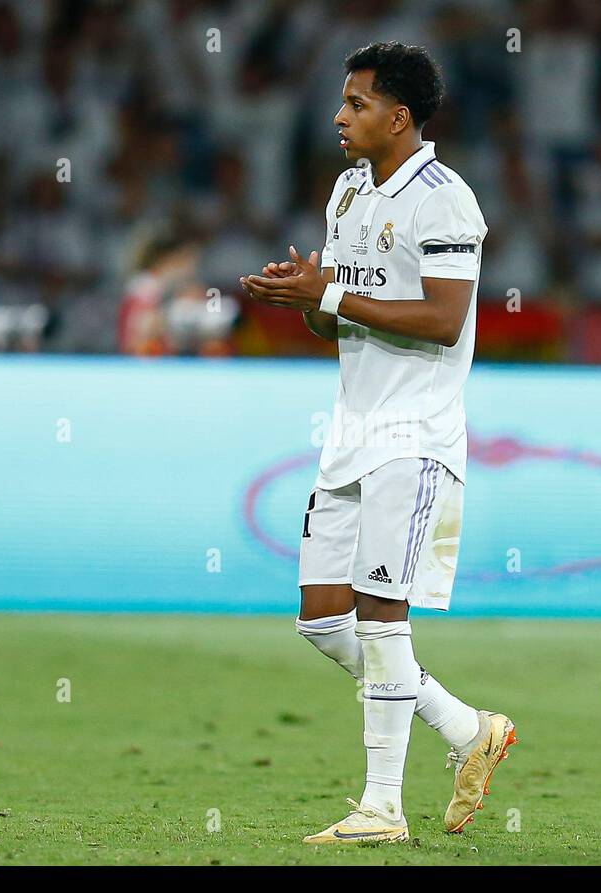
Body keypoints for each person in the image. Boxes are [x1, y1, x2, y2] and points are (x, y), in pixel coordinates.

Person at [240, 42, 515, 845]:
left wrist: (330, 292)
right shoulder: (350, 190)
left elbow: (441, 318)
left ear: (399, 117)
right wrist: (306, 297)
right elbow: (339, 314)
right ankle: (468, 729)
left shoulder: (445, 201)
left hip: (413, 435)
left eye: (356, 104)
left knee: (383, 617)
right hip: (351, 429)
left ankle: (382, 808)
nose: (339, 117)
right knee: (324, 621)